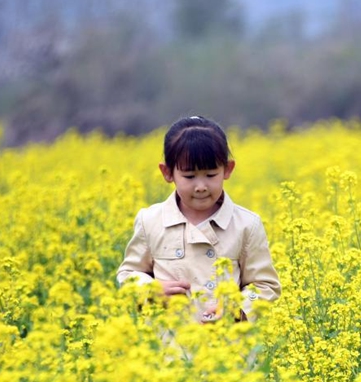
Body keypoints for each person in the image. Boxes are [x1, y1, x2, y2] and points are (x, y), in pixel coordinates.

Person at [117, 115, 281, 323]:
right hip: (167, 347)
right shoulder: (151, 221)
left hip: (227, 345)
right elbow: (130, 273)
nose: (201, 186)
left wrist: (236, 307)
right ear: (167, 173)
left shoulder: (246, 225)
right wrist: (150, 290)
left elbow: (265, 285)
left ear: (228, 170)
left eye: (211, 175)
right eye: (189, 177)